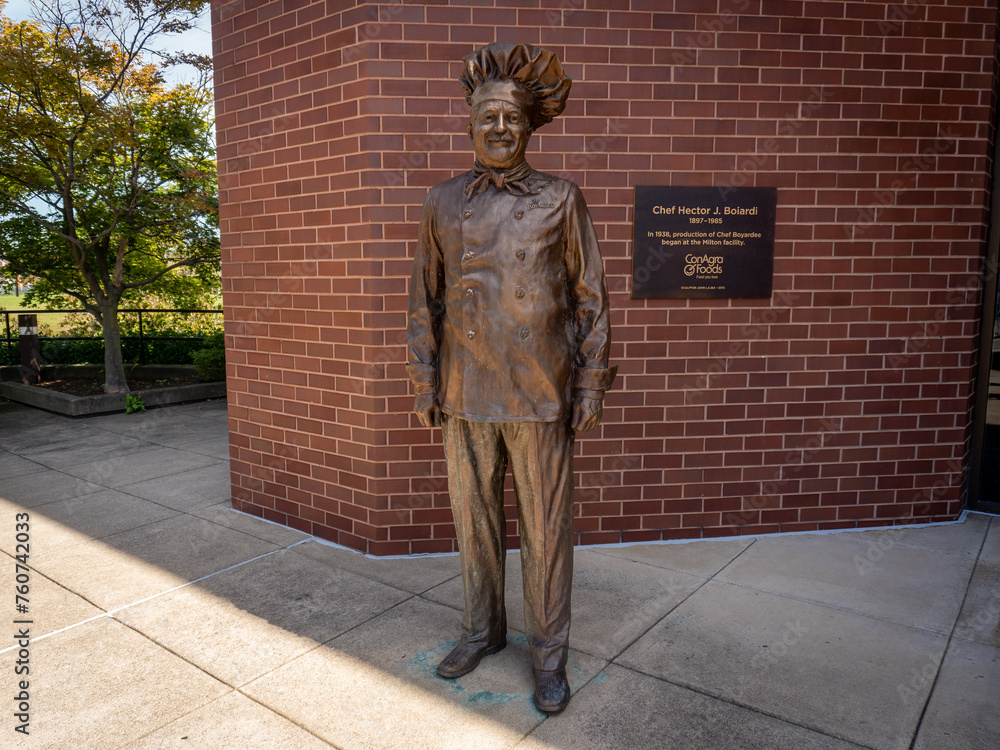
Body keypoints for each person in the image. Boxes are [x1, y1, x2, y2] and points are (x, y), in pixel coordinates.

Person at [406, 42, 615, 714]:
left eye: (512, 118)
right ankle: (480, 630)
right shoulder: (441, 203)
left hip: (541, 391)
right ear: (468, 125)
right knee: (474, 523)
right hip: (465, 392)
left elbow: (592, 298)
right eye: (487, 116)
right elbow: (424, 303)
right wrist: (424, 381)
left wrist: (589, 384)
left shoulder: (562, 198)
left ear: (531, 127)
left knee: (548, 532)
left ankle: (549, 656)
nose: (499, 128)